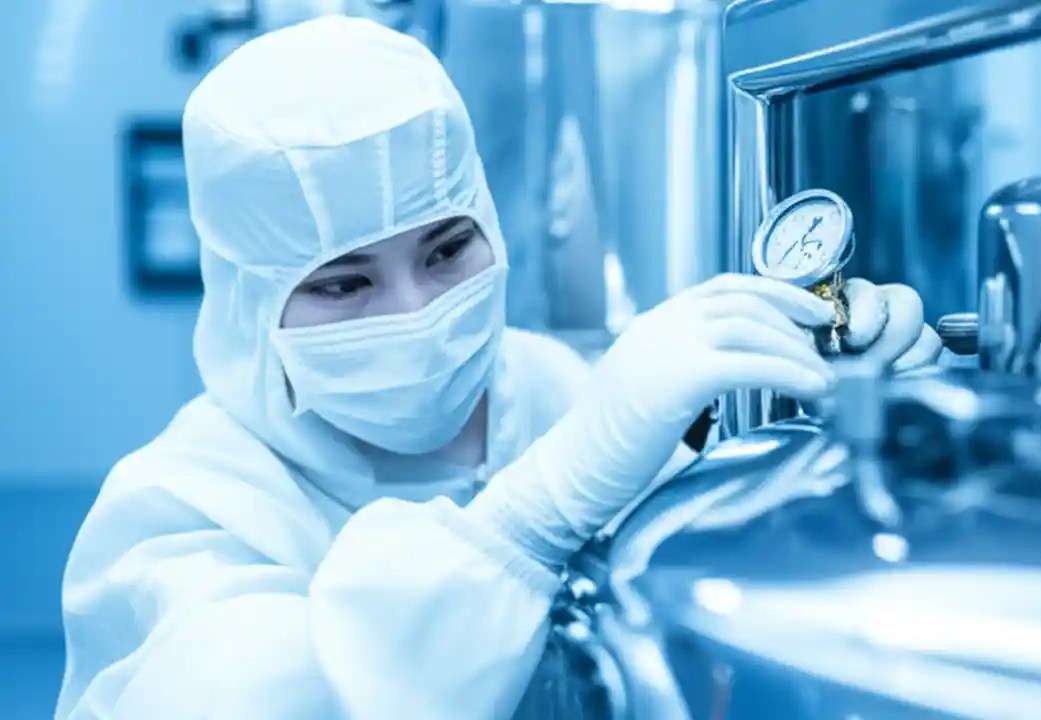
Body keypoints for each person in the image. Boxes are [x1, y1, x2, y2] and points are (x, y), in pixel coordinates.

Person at [55, 16, 941, 720]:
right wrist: (532, 515)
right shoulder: (183, 506)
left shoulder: (557, 389)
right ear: (253, 304)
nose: (416, 312)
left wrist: (859, 411)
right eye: (343, 284)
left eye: (447, 250)